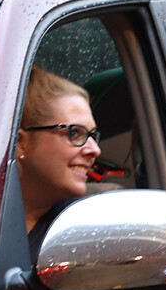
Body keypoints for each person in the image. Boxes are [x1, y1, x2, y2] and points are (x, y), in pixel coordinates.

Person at [15, 66, 102, 236]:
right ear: (20, 143)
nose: (95, 150)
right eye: (74, 133)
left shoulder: (84, 233)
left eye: (92, 135)